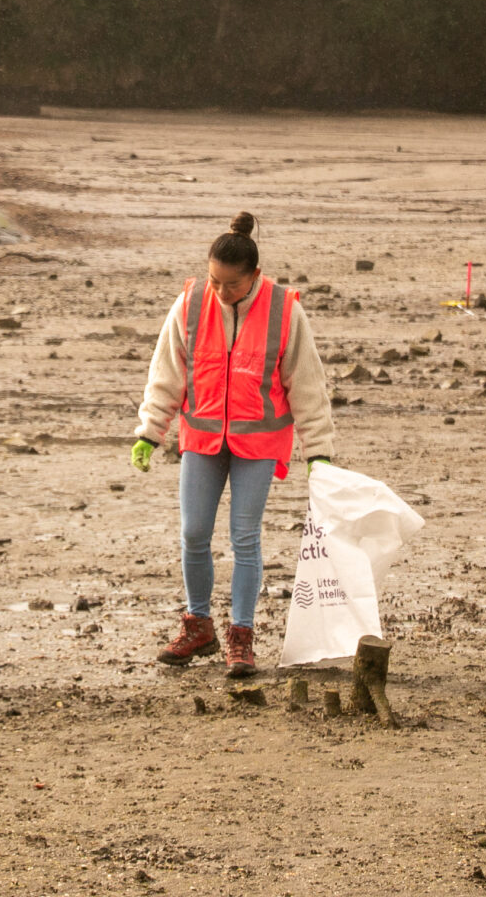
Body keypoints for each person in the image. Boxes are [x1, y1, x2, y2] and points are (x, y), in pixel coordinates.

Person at [130, 212, 335, 677]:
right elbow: (167, 373)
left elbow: (307, 384)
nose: (221, 292)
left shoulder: (285, 310)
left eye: (232, 285)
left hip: (259, 444)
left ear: (255, 276)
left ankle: (241, 637)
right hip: (202, 438)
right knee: (194, 533)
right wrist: (149, 431)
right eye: (214, 280)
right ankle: (198, 625)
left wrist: (317, 451)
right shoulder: (190, 303)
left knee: (245, 538)